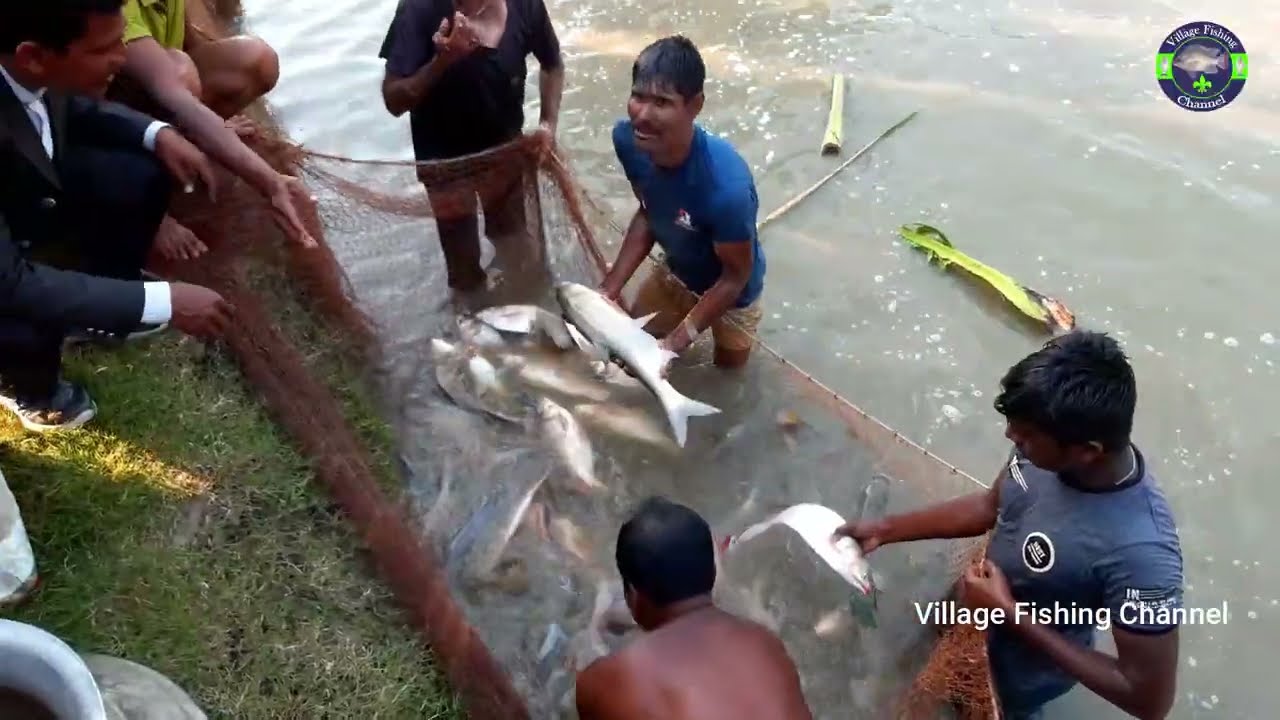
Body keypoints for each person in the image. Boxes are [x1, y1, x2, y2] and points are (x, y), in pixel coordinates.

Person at [835, 330, 1182, 719]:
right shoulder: (1040, 440)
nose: (1011, 438)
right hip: (963, 613)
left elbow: (1148, 699)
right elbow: (990, 505)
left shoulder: (1142, 554)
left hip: (1016, 675)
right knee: (906, 691)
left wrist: (1007, 611)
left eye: (1027, 437)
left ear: (1087, 451)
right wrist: (886, 528)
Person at [1, 0, 235, 432]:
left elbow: (72, 108)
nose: (121, 58)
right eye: (102, 49)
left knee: (136, 172)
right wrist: (163, 301)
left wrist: (155, 132)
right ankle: (32, 391)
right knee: (23, 316)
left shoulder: (22, 70)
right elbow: (9, 284)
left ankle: (99, 309)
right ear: (32, 56)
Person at [598, 35, 766, 373]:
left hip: (732, 293)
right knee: (630, 361)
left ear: (695, 105)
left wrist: (675, 343)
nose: (642, 115)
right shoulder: (628, 140)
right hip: (675, 273)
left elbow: (736, 276)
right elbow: (648, 211)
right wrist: (609, 289)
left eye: (661, 102)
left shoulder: (726, 189)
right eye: (637, 96)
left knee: (728, 376)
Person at [378, 0, 564, 297]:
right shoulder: (419, 9)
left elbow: (552, 64)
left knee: (517, 249)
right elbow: (393, 100)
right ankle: (473, 325)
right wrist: (443, 61)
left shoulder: (526, 5)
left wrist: (547, 125)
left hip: (504, 152)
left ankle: (524, 318)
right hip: (443, 164)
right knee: (463, 269)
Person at [108, 0, 315, 262]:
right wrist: (270, 182)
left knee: (256, 58)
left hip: (157, 95)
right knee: (179, 69)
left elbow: (192, 44)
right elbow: (170, 87)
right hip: (106, 109)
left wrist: (215, 126)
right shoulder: (120, 10)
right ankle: (146, 201)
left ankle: (197, 135)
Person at [576, 496, 813, 720]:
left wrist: (597, 625)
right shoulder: (765, 643)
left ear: (634, 597)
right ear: (712, 573)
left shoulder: (606, 681)